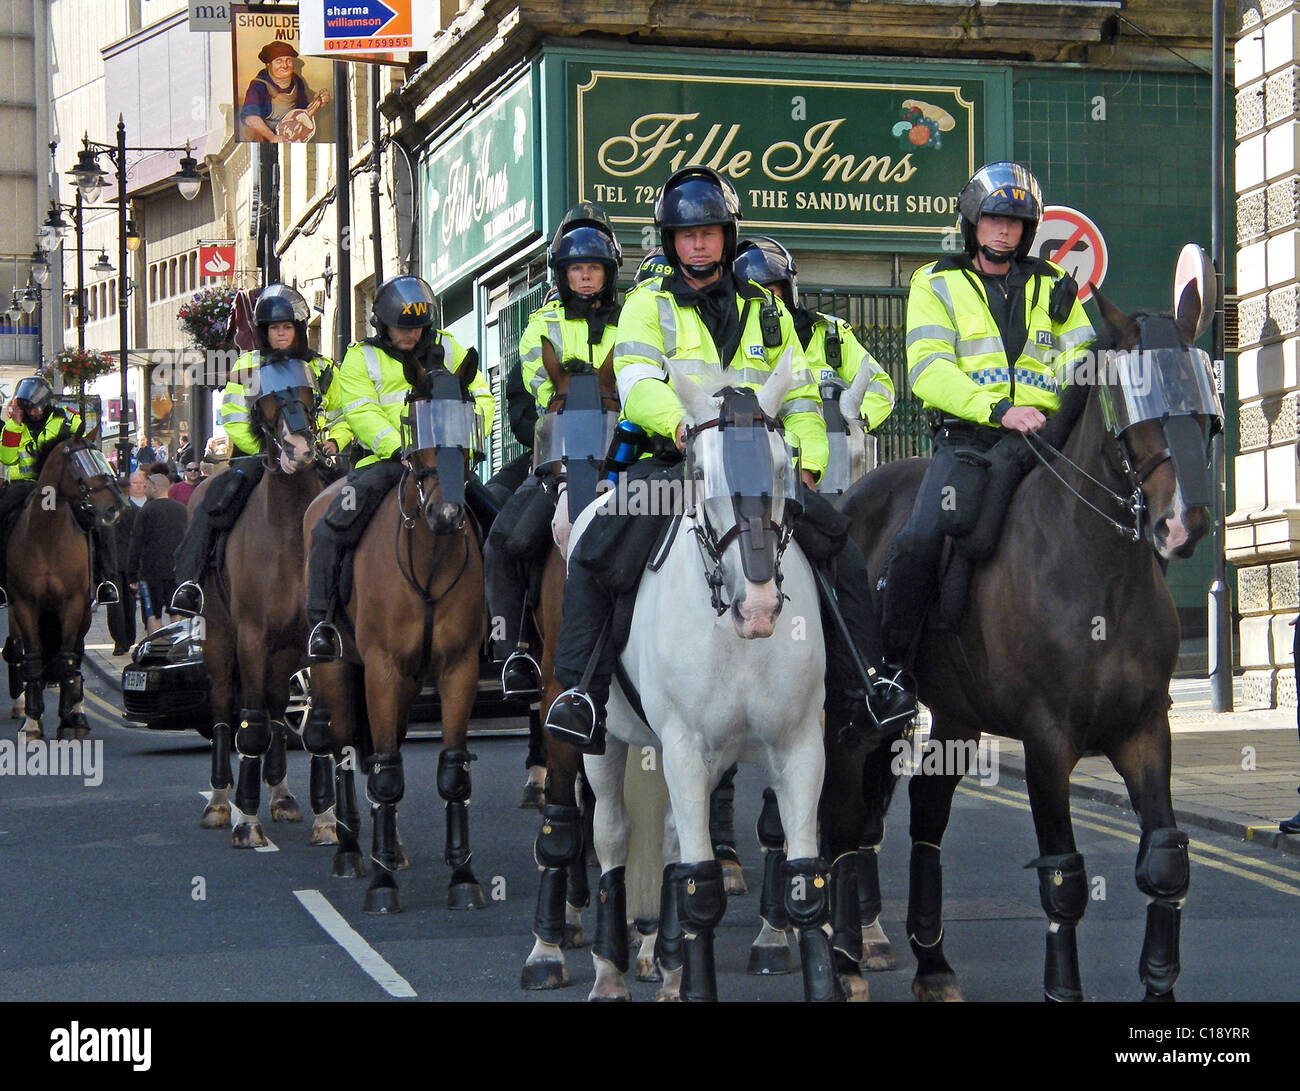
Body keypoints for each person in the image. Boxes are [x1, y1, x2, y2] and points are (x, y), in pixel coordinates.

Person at [543, 165, 914, 754]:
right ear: (671, 241)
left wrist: (806, 463)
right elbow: (638, 381)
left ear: (726, 235)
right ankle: (582, 695)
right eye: (687, 235)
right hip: (675, 464)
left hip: (757, 469)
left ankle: (865, 686)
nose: (698, 243)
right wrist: (682, 426)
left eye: (709, 232)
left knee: (838, 548)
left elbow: (797, 395)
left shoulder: (767, 311)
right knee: (597, 545)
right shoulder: (647, 305)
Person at [876, 161, 1095, 666]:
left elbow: (1081, 363)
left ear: (1027, 230)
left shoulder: (1055, 284)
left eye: (1015, 222)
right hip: (968, 441)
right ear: (972, 224)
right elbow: (929, 371)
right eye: (994, 219)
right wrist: (1000, 411)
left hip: (1046, 439)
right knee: (919, 540)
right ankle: (891, 667)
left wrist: (1051, 414)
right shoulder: (936, 282)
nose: (1004, 230)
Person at [304, 274, 495, 661]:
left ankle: (506, 634)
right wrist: (403, 449)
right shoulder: (361, 357)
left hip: (446, 463)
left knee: (500, 524)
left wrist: (462, 441)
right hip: (389, 464)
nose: (411, 335)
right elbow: (363, 413)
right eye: (402, 328)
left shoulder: (451, 347)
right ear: (382, 324)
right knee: (331, 526)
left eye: (418, 327)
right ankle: (323, 625)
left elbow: (482, 398)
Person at [485, 202, 622, 698]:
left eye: (594, 269)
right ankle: (516, 651)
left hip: (620, 455)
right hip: (558, 454)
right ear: (562, 275)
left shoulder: (632, 323)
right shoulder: (540, 324)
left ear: (607, 274)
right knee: (505, 540)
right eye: (576, 269)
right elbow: (531, 391)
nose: (585, 277)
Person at [169, 284, 350, 618]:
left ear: (297, 330)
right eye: (274, 329)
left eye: (287, 327)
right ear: (264, 333)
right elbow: (234, 418)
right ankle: (189, 584)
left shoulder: (322, 367)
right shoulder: (248, 366)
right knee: (215, 499)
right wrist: (270, 450)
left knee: (353, 499)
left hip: (314, 455)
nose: (281, 335)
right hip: (263, 457)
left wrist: (334, 441)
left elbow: (342, 413)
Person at [733, 236, 896, 430]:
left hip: (832, 451)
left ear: (788, 290)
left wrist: (850, 417)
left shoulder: (831, 335)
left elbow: (881, 387)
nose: (765, 302)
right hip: (762, 451)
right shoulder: (736, 340)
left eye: (770, 292)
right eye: (754, 296)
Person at [0, 375, 116, 606]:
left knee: (96, 519)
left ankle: (105, 580)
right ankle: (2, 584)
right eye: (27, 408)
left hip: (59, 485)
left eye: (35, 408)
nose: (32, 413)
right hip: (24, 485)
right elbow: (7, 457)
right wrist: (14, 423)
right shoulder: (13, 426)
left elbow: (84, 449)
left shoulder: (67, 421)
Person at [127, 474, 187, 636]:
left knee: (153, 613)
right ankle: (176, 645)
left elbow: (136, 544)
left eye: (146, 486)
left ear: (155, 487)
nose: (144, 489)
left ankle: (155, 647)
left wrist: (132, 574)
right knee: (175, 611)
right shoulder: (182, 509)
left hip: (150, 570)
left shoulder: (146, 511)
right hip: (175, 570)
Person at [240, 41, 311, 143]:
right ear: (268, 64)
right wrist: (272, 137)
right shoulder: (259, 85)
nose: (285, 66)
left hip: (291, 137)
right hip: (264, 139)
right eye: (279, 61)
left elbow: (302, 110)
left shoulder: (296, 81)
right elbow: (250, 117)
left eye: (288, 60)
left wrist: (318, 102)